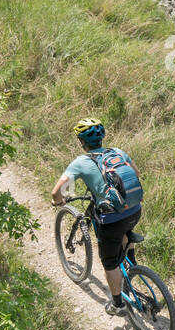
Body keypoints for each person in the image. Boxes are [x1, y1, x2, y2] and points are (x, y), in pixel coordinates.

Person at [51, 117, 142, 316]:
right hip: (135, 209)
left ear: (82, 142)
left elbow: (57, 192)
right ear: (102, 138)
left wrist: (59, 201)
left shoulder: (80, 162)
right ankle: (132, 265)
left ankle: (118, 304)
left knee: (109, 262)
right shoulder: (117, 152)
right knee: (125, 230)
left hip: (111, 219)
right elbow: (136, 173)